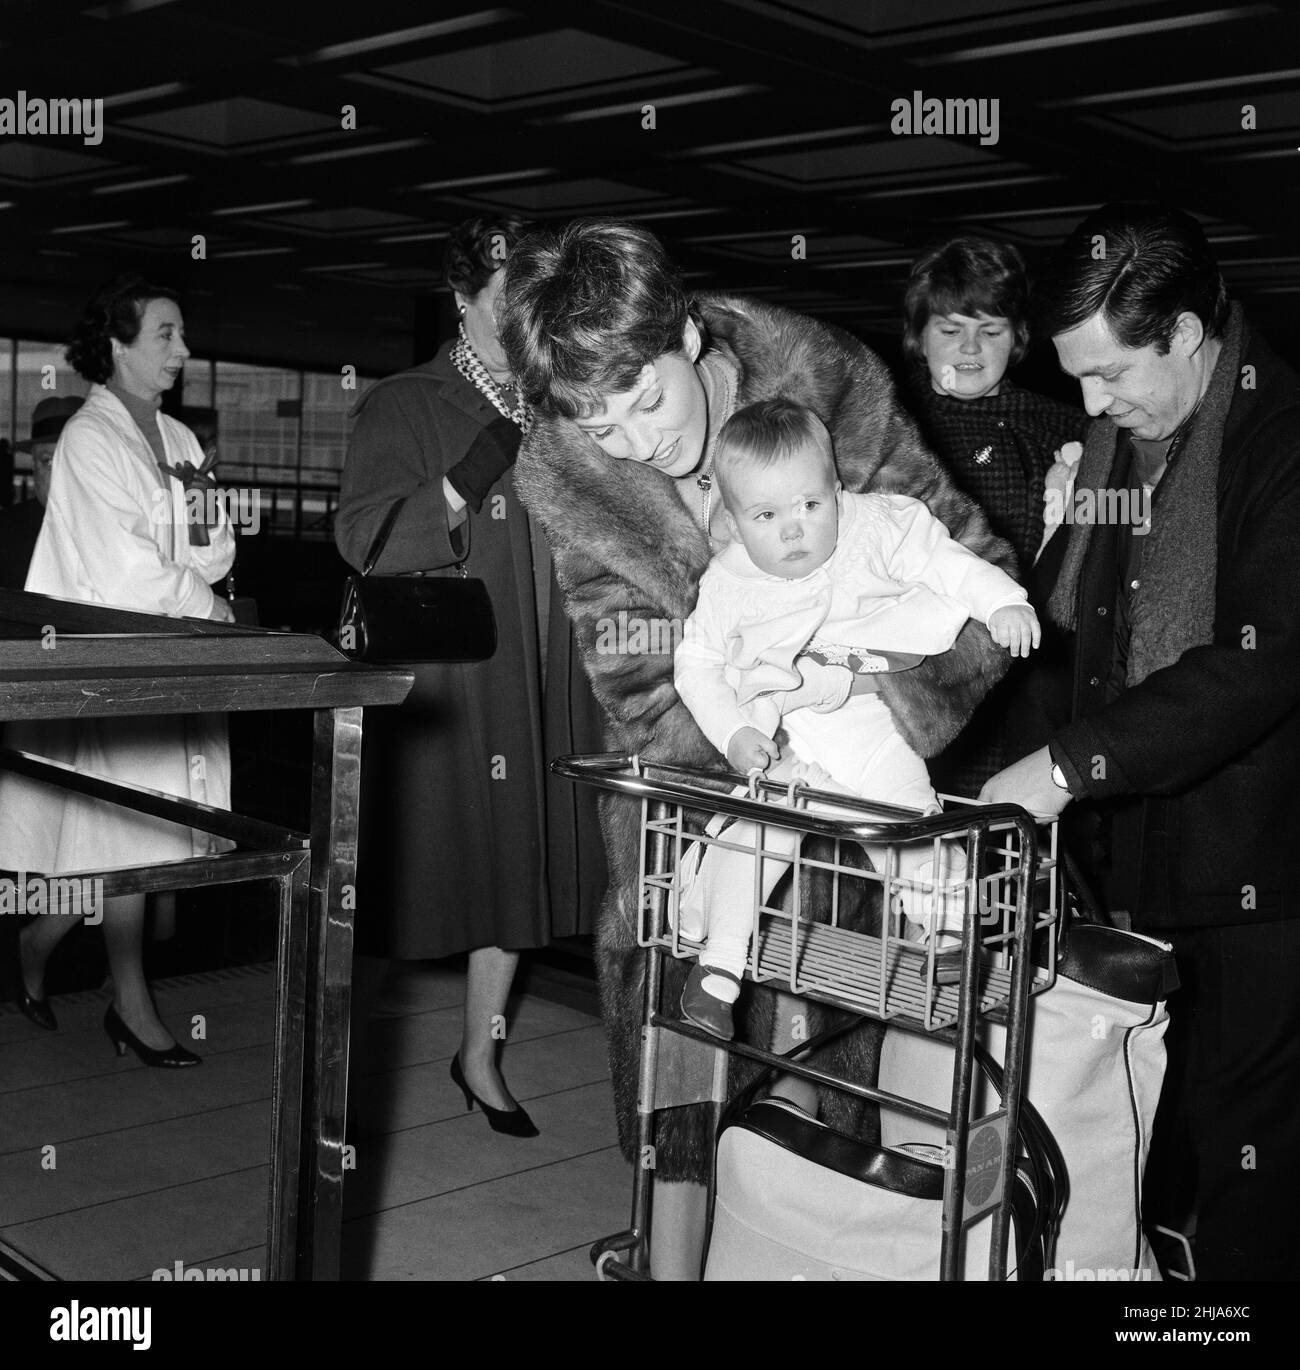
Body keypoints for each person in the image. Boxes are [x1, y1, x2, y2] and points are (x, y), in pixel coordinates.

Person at [500, 218, 1021, 1277]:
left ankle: (802, 1243)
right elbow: (637, 668)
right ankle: (672, 1248)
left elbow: (967, 568)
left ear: (686, 335)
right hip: (687, 790)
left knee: (828, 1051)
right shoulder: (566, 469)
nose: (636, 440)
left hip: (859, 770)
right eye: (603, 426)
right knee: (676, 1037)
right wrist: (743, 749)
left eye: (645, 398)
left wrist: (854, 694)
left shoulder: (828, 382)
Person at [980, 203, 1300, 1281]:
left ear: (1185, 336)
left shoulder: (1285, 443)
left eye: (1111, 373)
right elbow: (1072, 643)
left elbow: (1254, 664)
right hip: (1142, 849)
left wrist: (1065, 769)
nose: (1089, 403)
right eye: (1076, 375)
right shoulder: (1122, 440)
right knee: (1147, 1116)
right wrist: (972, 777)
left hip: (1265, 862)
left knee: (1250, 1141)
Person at [335, 216, 605, 1139]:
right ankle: (336, 1066)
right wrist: (463, 479)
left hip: (548, 670)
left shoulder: (568, 402)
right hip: (457, 686)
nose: (530, 311)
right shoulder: (406, 401)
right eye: (508, 294)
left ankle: (479, 1053)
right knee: (414, 874)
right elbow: (363, 538)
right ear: (463, 298)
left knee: (515, 873)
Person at [673, 398, 1038, 1036]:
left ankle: (947, 931)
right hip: (786, 740)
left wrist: (1004, 601)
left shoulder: (874, 529)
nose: (793, 530)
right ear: (731, 520)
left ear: (838, 489)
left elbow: (945, 564)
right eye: (765, 515)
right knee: (752, 839)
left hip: (869, 725)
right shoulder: (728, 583)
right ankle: (717, 971)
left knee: (909, 815)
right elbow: (696, 664)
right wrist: (733, 732)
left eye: (810, 505)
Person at [0, 274, 235, 1065]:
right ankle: (131, 1007)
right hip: (115, 657)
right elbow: (122, 571)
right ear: (118, 345)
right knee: (132, 829)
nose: (184, 349)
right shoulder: (88, 440)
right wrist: (212, 607)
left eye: (181, 334)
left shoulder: (182, 442)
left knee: (133, 830)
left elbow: (218, 547)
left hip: (174, 650)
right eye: (166, 334)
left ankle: (37, 943)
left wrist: (206, 549)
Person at [902, 236, 1086, 793]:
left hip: (1029, 676)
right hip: (916, 673)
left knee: (1005, 846)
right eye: (950, 329)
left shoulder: (1069, 430)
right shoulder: (885, 423)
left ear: (1019, 337)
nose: (970, 349)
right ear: (919, 335)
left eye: (991, 330)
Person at [0, 396, 82, 588]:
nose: (60, 475)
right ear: (34, 466)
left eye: (72, 459)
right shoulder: (4, 532)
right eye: (49, 461)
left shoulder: (119, 528)